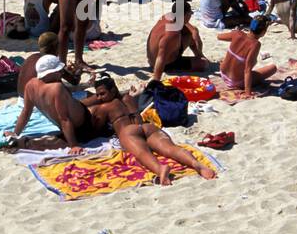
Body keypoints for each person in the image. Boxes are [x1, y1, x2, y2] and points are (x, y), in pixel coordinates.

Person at [85, 75, 217, 186]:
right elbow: (137, 118)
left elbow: (95, 130)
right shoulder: (128, 98)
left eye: (102, 94)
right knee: (171, 148)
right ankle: (196, 163)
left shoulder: (106, 106)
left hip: (128, 132)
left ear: (113, 90)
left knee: (142, 153)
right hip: (147, 127)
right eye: (97, 95)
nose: (99, 97)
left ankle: (160, 169)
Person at [10, 55, 105, 152]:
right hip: (84, 125)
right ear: (51, 73)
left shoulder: (31, 85)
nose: (61, 73)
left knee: (97, 98)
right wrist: (74, 145)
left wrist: (15, 133)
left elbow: (25, 113)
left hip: (77, 112)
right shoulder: (56, 88)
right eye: (59, 71)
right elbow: (64, 119)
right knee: (110, 105)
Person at [147, 1, 209, 81]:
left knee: (190, 33)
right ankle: (199, 57)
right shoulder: (172, 34)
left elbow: (187, 25)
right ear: (185, 15)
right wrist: (156, 80)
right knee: (204, 64)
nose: (191, 15)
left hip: (151, 58)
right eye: (190, 13)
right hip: (162, 64)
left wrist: (194, 31)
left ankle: (199, 55)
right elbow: (161, 58)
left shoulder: (168, 16)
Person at [217, 17, 277, 97]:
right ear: (263, 32)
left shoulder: (237, 33)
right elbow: (247, 70)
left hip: (223, 73)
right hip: (236, 81)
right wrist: (247, 92)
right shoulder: (255, 44)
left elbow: (219, 37)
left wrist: (234, 38)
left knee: (229, 59)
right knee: (272, 68)